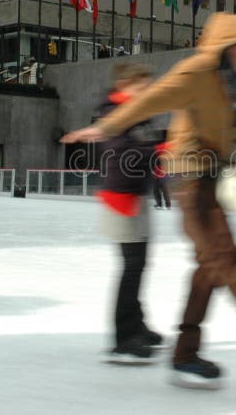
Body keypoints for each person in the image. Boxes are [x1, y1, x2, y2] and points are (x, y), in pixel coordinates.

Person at [60, 13, 236, 389]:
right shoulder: (198, 71)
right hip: (190, 179)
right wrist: (103, 127)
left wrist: (234, 167)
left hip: (209, 175)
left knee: (208, 270)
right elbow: (152, 99)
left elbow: (215, 132)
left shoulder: (227, 79)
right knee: (225, 258)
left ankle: (185, 354)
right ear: (228, 45)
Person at [96, 63, 163, 364]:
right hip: (120, 198)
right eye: (142, 86)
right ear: (125, 84)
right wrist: (162, 151)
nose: (146, 92)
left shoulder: (139, 112)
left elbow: (147, 147)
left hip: (136, 196)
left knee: (139, 265)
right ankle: (124, 338)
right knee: (132, 267)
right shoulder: (112, 112)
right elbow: (125, 152)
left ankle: (137, 325)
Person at [152, 141, 171, 209]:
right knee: (160, 190)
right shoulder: (158, 153)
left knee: (159, 190)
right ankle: (164, 204)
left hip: (159, 175)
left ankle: (162, 204)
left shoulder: (158, 154)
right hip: (159, 175)